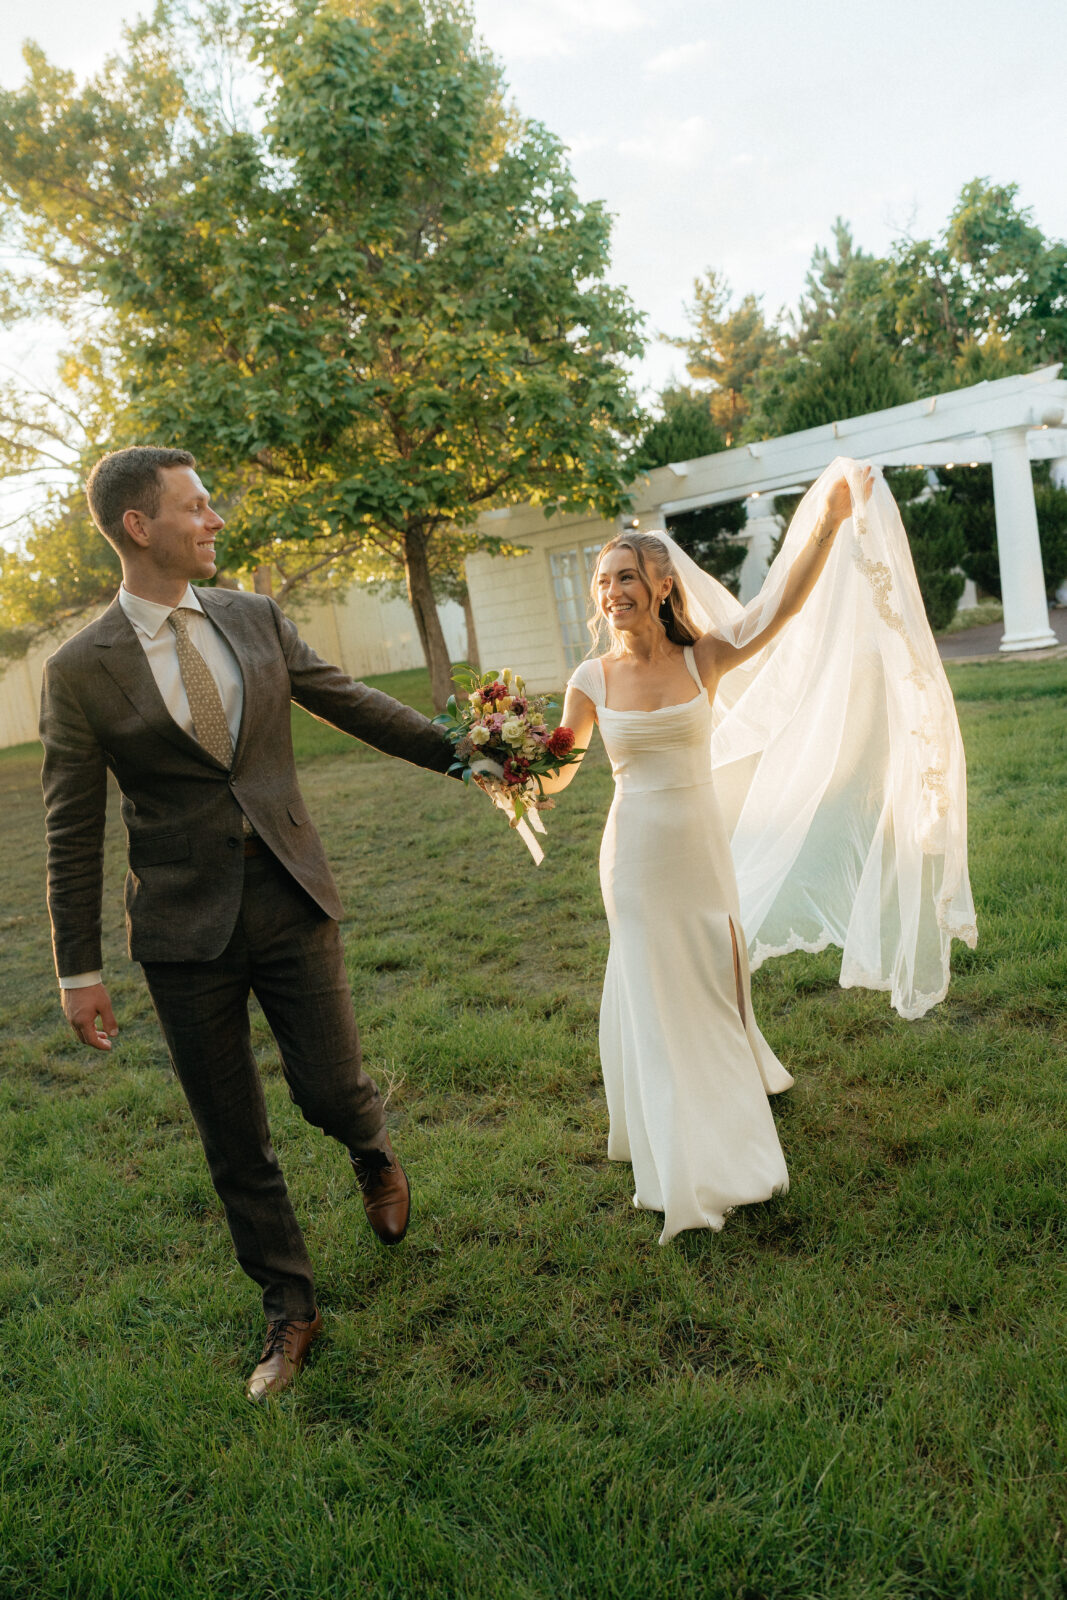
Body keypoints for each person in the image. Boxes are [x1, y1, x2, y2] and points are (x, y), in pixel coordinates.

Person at [40, 445, 462, 1400]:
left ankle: (370, 1147)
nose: (215, 520)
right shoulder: (79, 670)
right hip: (183, 933)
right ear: (140, 527)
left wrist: (466, 757)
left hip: (289, 895)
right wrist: (79, 970)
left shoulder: (254, 615)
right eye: (196, 507)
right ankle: (289, 1307)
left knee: (328, 1088)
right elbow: (72, 827)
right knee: (232, 1132)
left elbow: (344, 702)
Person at [538, 461, 975, 1243]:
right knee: (655, 986)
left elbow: (779, 607)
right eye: (604, 581)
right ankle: (686, 1157)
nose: (612, 593)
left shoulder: (701, 658)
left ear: (663, 584)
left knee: (713, 972)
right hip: (632, 856)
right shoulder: (588, 678)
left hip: (700, 847)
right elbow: (560, 771)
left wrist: (832, 520)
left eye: (626, 578)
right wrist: (513, 774)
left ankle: (734, 1078)